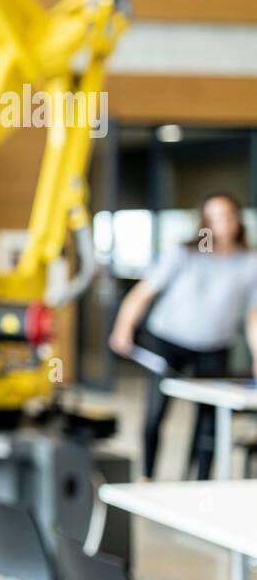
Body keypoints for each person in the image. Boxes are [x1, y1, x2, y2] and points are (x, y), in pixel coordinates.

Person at [109, 192, 257, 480]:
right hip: (168, 342)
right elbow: (143, 293)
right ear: (204, 221)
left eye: (227, 216)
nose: (222, 223)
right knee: (156, 414)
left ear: (238, 218)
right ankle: (148, 476)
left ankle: (198, 481)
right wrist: (123, 327)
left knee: (209, 420)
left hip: (214, 346)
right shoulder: (183, 253)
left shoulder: (250, 262)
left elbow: (254, 315)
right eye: (214, 217)